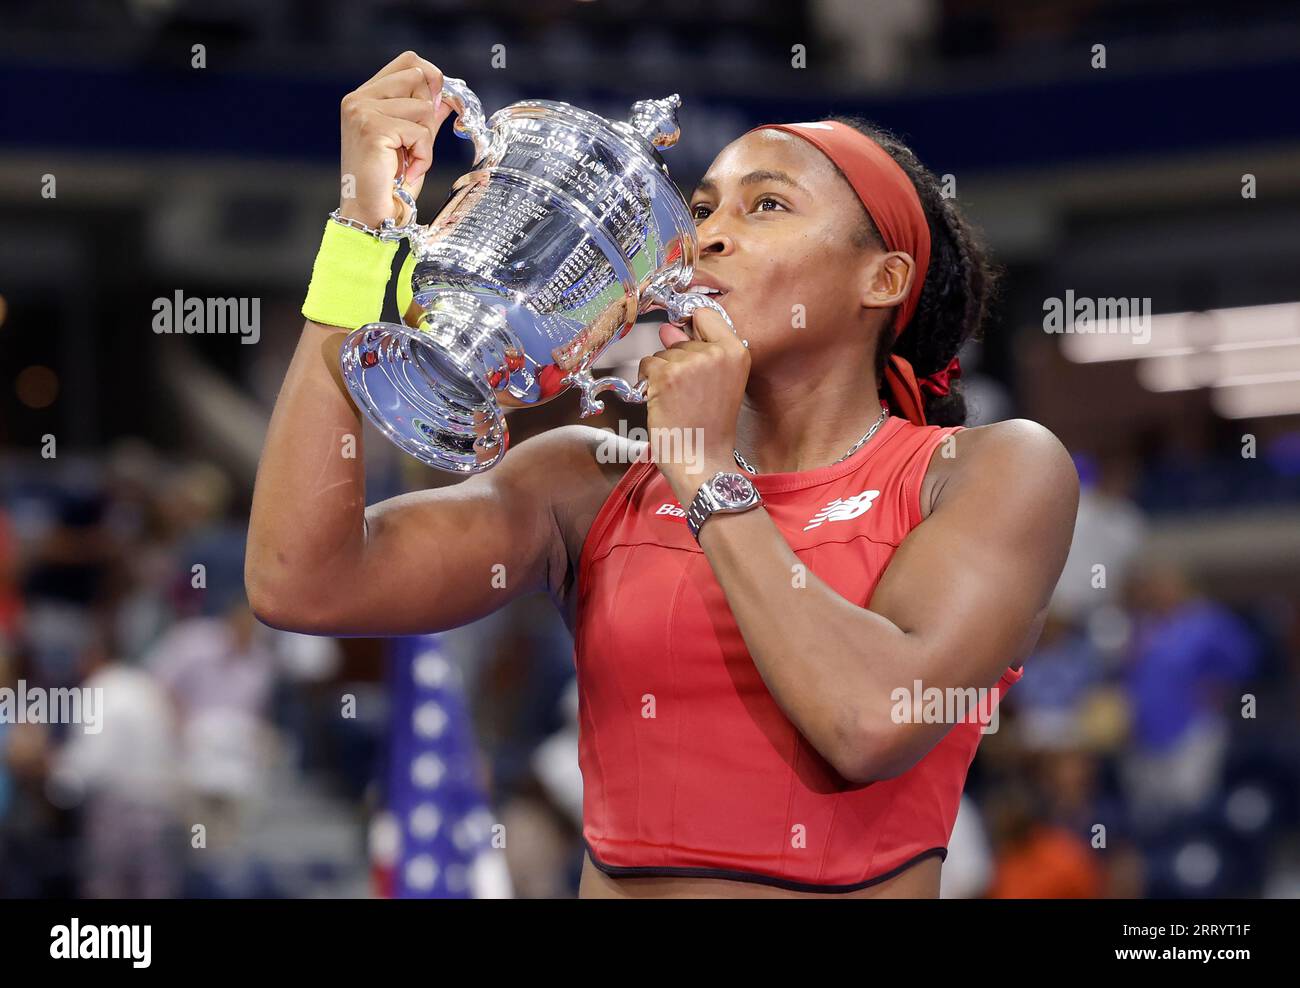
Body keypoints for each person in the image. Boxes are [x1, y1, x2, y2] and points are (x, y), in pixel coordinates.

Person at [246, 52, 1079, 898]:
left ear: (883, 277)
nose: (709, 234)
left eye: (768, 206)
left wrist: (703, 467)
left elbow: (871, 721)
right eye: (705, 207)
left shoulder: (991, 468)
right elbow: (300, 583)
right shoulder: (586, 480)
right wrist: (360, 237)